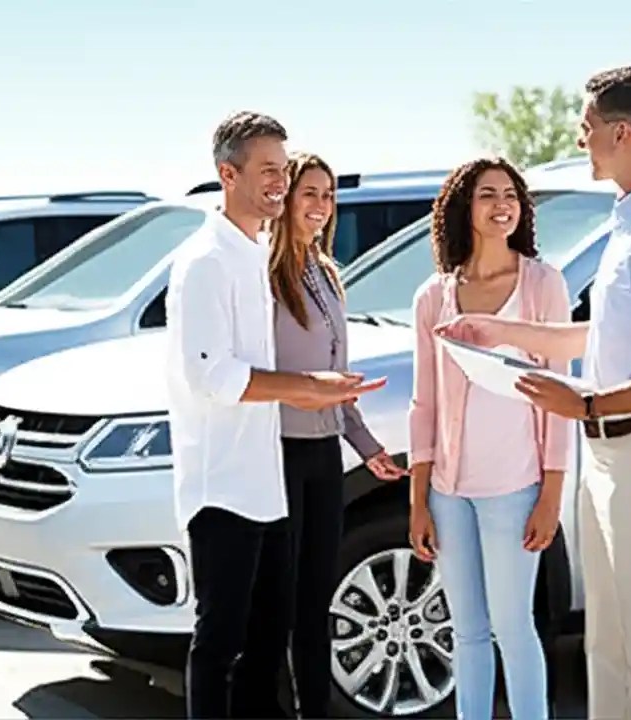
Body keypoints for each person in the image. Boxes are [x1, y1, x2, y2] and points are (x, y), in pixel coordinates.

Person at [436, 66, 631, 720]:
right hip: (613, 458)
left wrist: (586, 406)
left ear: (621, 133)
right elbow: (613, 337)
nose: (580, 136)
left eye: (588, 127)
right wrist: (503, 330)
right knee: (612, 648)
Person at [164, 110, 388, 718]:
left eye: (283, 171)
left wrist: (325, 401)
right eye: (269, 171)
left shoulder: (253, 252)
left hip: (266, 485)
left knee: (264, 647)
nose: (280, 184)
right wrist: (306, 388)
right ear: (226, 174)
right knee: (221, 646)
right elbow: (210, 375)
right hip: (222, 488)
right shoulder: (205, 262)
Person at [406, 156, 572, 720]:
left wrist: (550, 495)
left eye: (511, 194)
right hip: (449, 494)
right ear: (464, 208)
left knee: (513, 625)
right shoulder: (433, 296)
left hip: (516, 487)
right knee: (468, 632)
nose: (502, 204)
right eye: (487, 195)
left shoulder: (543, 284)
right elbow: (423, 402)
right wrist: (419, 499)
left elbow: (559, 400)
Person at [266, 151, 404, 718]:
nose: (321, 206)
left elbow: (336, 382)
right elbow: (263, 376)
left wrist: (369, 449)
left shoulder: (327, 273)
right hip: (277, 453)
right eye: (309, 194)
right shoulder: (264, 276)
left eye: (327, 196)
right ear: (286, 199)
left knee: (316, 600)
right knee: (278, 600)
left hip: (324, 456)